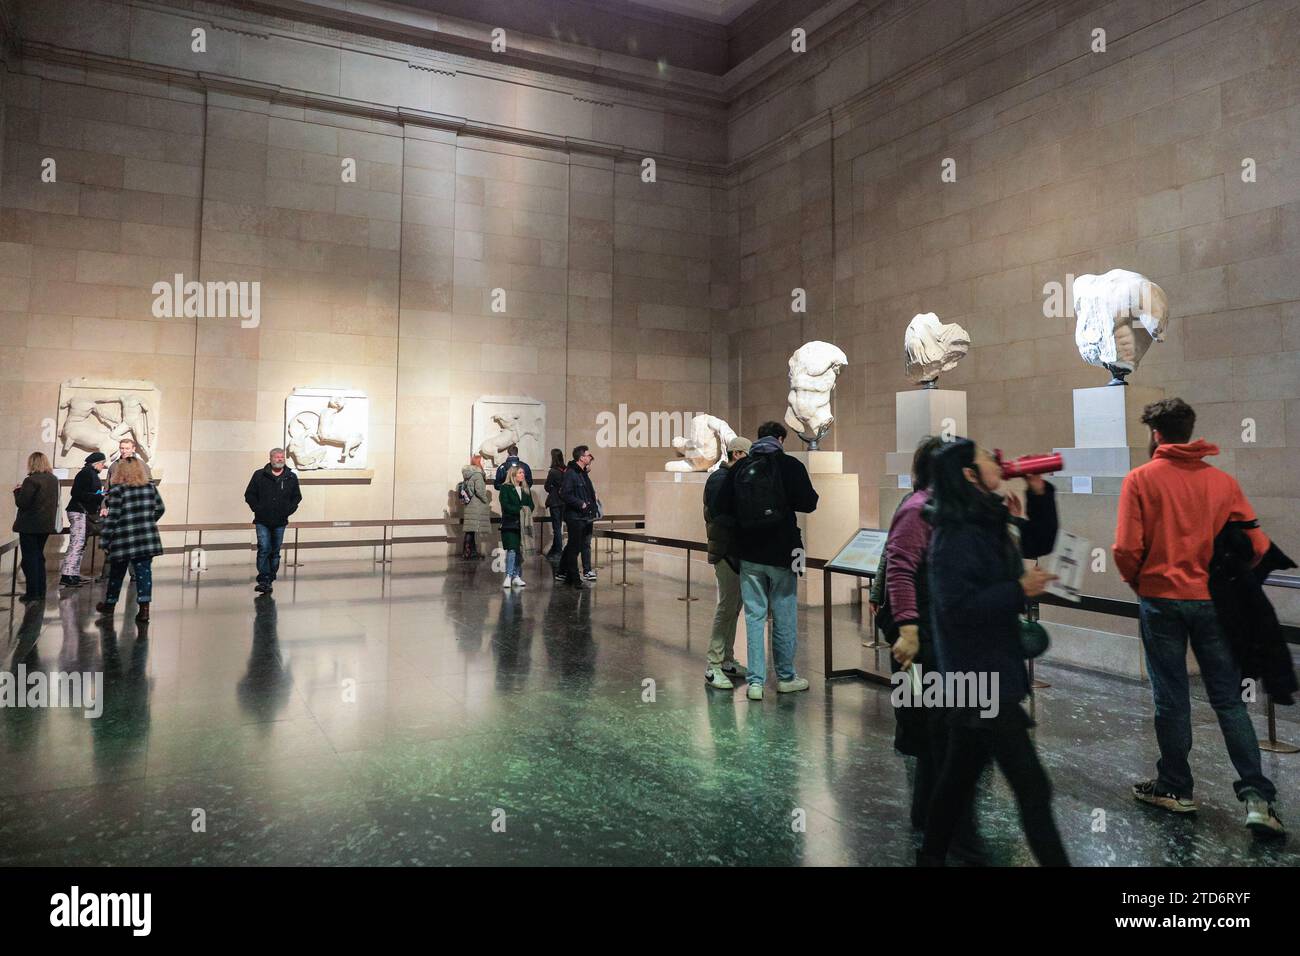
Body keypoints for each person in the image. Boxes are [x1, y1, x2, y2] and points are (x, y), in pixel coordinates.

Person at [1113, 398, 1285, 838]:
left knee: (1170, 697)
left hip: (1160, 599)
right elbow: (1258, 545)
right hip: (1212, 602)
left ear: (1156, 434)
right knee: (1228, 700)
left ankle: (1175, 787)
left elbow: (1125, 548)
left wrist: (1143, 582)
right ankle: (1258, 801)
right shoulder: (1223, 483)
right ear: (1189, 431)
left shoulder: (1140, 480)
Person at [918, 439, 1068, 867]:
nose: (996, 460)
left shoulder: (986, 516)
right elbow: (956, 608)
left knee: (957, 779)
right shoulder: (954, 533)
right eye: (985, 457)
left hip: (986, 673)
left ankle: (929, 856)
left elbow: (1036, 537)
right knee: (1033, 788)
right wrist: (1017, 590)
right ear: (969, 474)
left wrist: (1039, 493)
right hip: (979, 678)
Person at [871, 436, 986, 859]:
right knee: (939, 731)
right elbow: (899, 567)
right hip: (928, 636)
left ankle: (931, 818)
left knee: (940, 732)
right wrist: (908, 628)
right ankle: (947, 829)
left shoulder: (958, 506)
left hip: (950, 635)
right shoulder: (921, 508)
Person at [714, 420, 818, 701]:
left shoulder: (739, 468)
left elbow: (720, 507)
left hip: (749, 552)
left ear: (757, 439)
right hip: (785, 552)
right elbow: (810, 503)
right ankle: (785, 677)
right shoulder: (791, 466)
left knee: (754, 616)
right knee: (784, 614)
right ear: (781, 439)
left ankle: (756, 683)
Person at [703, 436, 751, 689]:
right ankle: (713, 664)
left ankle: (727, 659)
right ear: (737, 454)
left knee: (733, 608)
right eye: (747, 456)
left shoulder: (731, 478)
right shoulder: (719, 479)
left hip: (735, 551)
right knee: (726, 607)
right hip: (725, 551)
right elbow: (720, 513)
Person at [95, 457, 164, 624]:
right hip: (146, 538)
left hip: (124, 537)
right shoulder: (150, 488)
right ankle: (144, 610)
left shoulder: (118, 490)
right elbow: (160, 508)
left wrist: (105, 540)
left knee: (117, 572)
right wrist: (148, 521)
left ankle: (110, 604)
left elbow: (113, 518)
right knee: (144, 574)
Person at [243, 448, 302, 595]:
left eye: (282, 457)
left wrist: (288, 509)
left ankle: (270, 578)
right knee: (263, 548)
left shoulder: (291, 477)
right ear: (270, 458)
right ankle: (264, 579)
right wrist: (257, 508)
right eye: (277, 457)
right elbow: (249, 494)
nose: (280, 459)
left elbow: (297, 497)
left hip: (280, 521)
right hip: (262, 520)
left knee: (275, 551)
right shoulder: (259, 475)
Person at [13, 452, 59, 603]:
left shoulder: (31, 480)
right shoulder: (53, 479)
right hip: (45, 525)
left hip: (29, 526)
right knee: (38, 557)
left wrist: (17, 491)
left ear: (32, 463)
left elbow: (23, 503)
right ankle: (41, 590)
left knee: (30, 559)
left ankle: (33, 593)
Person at [60, 451, 108, 588]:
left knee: (80, 544)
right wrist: (98, 496)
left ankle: (73, 573)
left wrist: (98, 495)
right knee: (77, 543)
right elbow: (76, 493)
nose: (103, 467)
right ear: (97, 463)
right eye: (102, 464)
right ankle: (67, 575)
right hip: (78, 511)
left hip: (82, 512)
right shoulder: (86, 474)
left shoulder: (89, 474)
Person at [557, 445, 597, 588]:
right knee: (574, 548)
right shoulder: (571, 473)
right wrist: (581, 504)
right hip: (575, 516)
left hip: (585, 516)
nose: (589, 457)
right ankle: (575, 578)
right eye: (588, 455)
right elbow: (565, 494)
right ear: (581, 457)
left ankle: (565, 574)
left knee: (576, 546)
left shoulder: (582, 473)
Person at [499, 464, 533, 588]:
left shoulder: (525, 488)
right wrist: (520, 509)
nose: (522, 475)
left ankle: (517, 576)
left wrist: (526, 510)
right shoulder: (505, 488)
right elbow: (506, 505)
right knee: (512, 550)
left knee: (520, 551)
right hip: (510, 524)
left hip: (523, 525)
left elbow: (531, 505)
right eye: (520, 473)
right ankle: (508, 575)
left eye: (523, 473)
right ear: (513, 475)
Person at [459, 455, 493, 559]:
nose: (483, 463)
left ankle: (470, 552)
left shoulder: (469, 474)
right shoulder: (478, 475)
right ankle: (468, 553)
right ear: (478, 462)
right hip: (476, 505)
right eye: (482, 461)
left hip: (470, 505)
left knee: (470, 530)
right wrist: (486, 500)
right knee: (471, 530)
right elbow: (480, 491)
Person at [543, 449, 566, 560]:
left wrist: (552, 487)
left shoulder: (553, 471)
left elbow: (547, 487)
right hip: (564, 502)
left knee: (556, 528)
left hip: (555, 502)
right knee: (559, 527)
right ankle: (554, 549)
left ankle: (558, 551)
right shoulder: (566, 470)